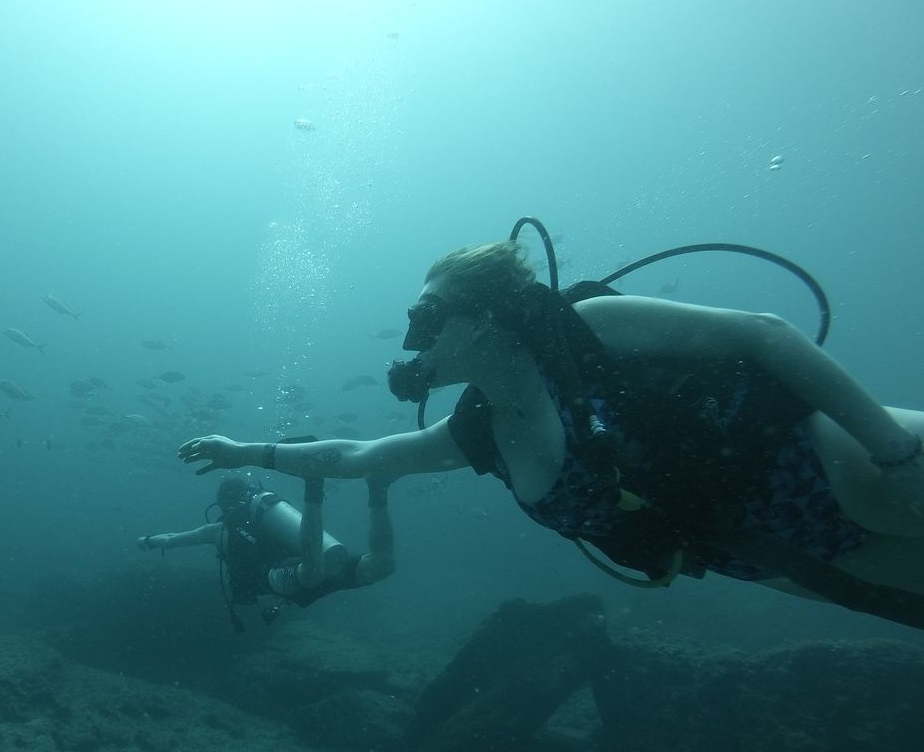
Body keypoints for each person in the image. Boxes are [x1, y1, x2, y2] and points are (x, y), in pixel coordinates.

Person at [178, 240, 924, 628]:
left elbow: (761, 335)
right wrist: (245, 453)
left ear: (485, 316)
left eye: (428, 312)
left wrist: (889, 450)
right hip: (790, 555)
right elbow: (357, 456)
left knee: (888, 503)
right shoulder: (478, 433)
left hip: (837, 463)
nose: (412, 332)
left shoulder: (584, 329)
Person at [137, 473, 395, 630]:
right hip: (307, 567)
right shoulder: (264, 513)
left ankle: (313, 486)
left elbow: (172, 539)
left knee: (312, 573)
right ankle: (378, 491)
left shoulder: (217, 529)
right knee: (382, 566)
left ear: (221, 501)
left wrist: (148, 540)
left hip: (283, 578)